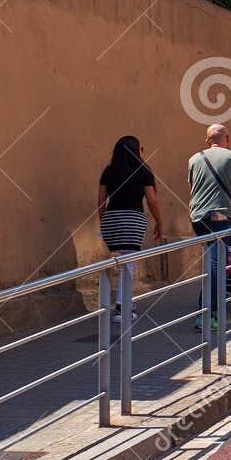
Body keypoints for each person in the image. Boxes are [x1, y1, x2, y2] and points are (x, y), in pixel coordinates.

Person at [187, 124, 231, 330]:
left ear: (207, 140)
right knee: (217, 264)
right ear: (227, 139)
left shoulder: (194, 159)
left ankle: (209, 305)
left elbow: (193, 188)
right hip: (220, 216)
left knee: (211, 260)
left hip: (197, 218)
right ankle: (207, 312)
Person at [97, 136, 163, 324]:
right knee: (128, 265)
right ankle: (121, 307)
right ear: (136, 150)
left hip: (111, 219)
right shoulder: (144, 172)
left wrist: (104, 223)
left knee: (122, 262)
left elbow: (101, 201)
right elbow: (152, 201)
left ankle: (123, 302)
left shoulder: (108, 172)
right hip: (133, 219)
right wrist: (159, 222)